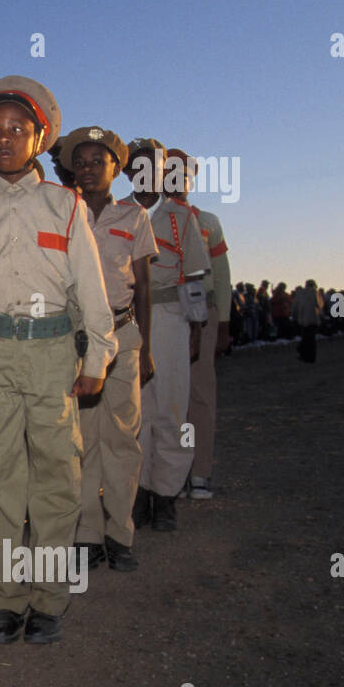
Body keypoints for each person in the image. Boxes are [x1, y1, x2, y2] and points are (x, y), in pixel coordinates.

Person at [0, 77, 115, 646]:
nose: (4, 139)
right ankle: (7, 597)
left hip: (54, 353)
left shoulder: (66, 205)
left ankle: (49, 596)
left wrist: (98, 355)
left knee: (56, 477)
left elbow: (93, 289)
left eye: (17, 130)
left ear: (39, 137)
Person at [56, 127, 157, 573]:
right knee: (81, 441)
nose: (89, 169)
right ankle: (87, 535)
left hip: (123, 336)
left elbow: (145, 288)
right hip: (76, 340)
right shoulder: (63, 212)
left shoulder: (134, 218)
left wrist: (148, 346)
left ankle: (120, 533)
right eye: (81, 161)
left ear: (117, 168)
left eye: (100, 161)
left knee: (122, 440)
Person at [124, 140, 210, 531]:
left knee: (172, 410)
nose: (145, 174)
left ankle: (166, 494)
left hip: (172, 319)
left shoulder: (181, 217)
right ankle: (137, 493)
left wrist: (195, 330)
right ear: (127, 172)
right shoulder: (117, 213)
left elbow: (194, 279)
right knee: (134, 411)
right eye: (137, 167)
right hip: (128, 321)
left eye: (152, 167)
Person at [173, 149, 232, 501]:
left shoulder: (207, 222)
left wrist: (223, 323)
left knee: (200, 396)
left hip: (203, 315)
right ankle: (172, 472)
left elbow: (222, 278)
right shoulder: (150, 220)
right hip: (167, 314)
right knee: (168, 399)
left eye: (184, 175)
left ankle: (200, 472)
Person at [292, 279, 323, 363]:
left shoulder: (299, 293)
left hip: (302, 320)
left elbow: (294, 306)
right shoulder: (316, 293)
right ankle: (311, 358)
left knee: (305, 337)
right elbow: (320, 305)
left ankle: (303, 355)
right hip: (313, 319)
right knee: (311, 339)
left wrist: (294, 316)